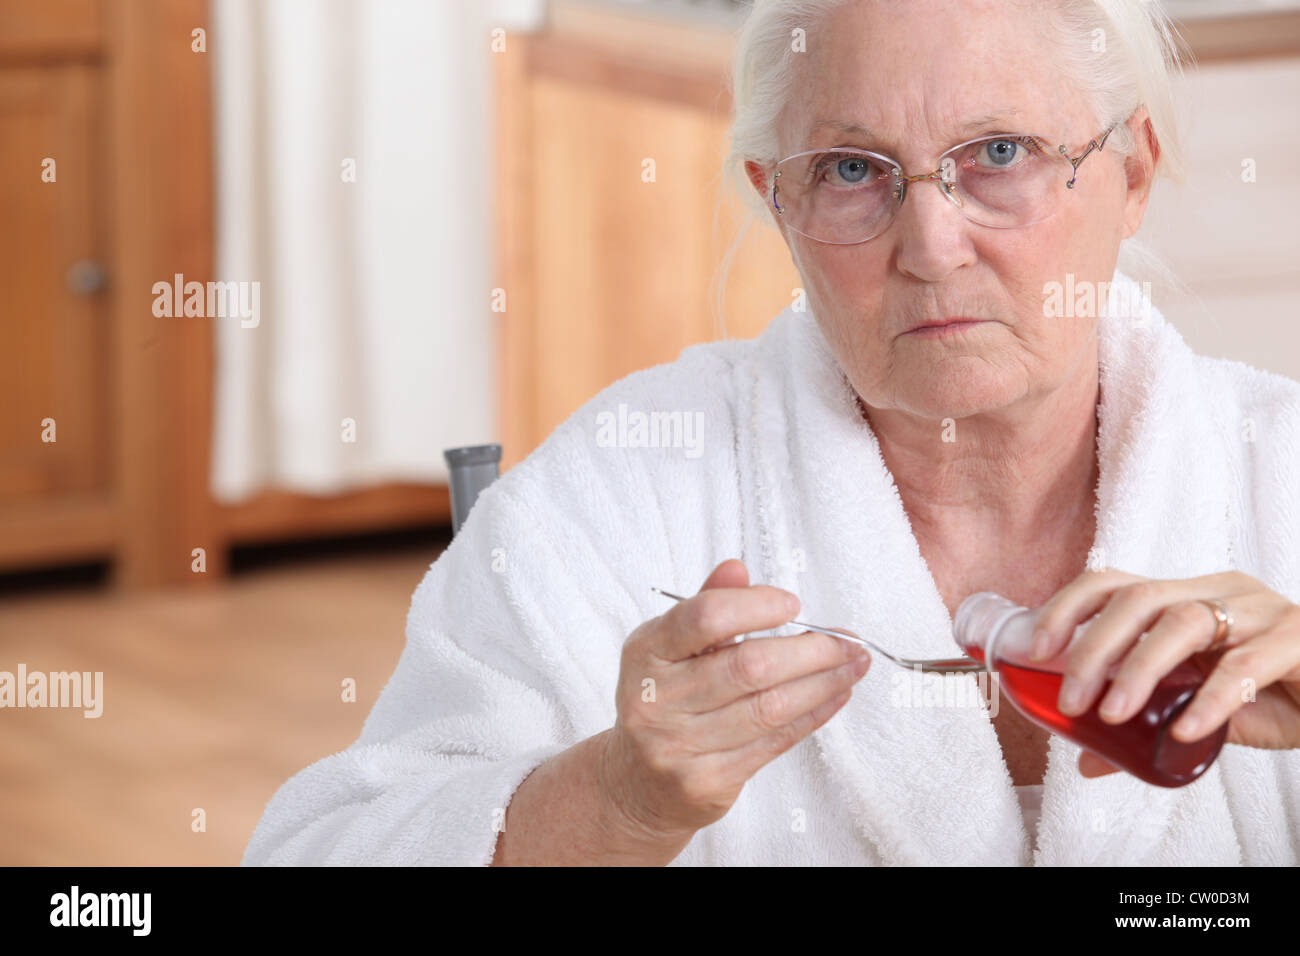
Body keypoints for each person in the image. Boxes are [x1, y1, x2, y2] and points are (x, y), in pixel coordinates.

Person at [243, 0, 1300, 866]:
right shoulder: (622, 497)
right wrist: (612, 804)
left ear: (1132, 173)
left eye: (998, 152)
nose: (931, 245)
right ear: (776, 201)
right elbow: (319, 851)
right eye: (851, 169)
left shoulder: (1279, 474)